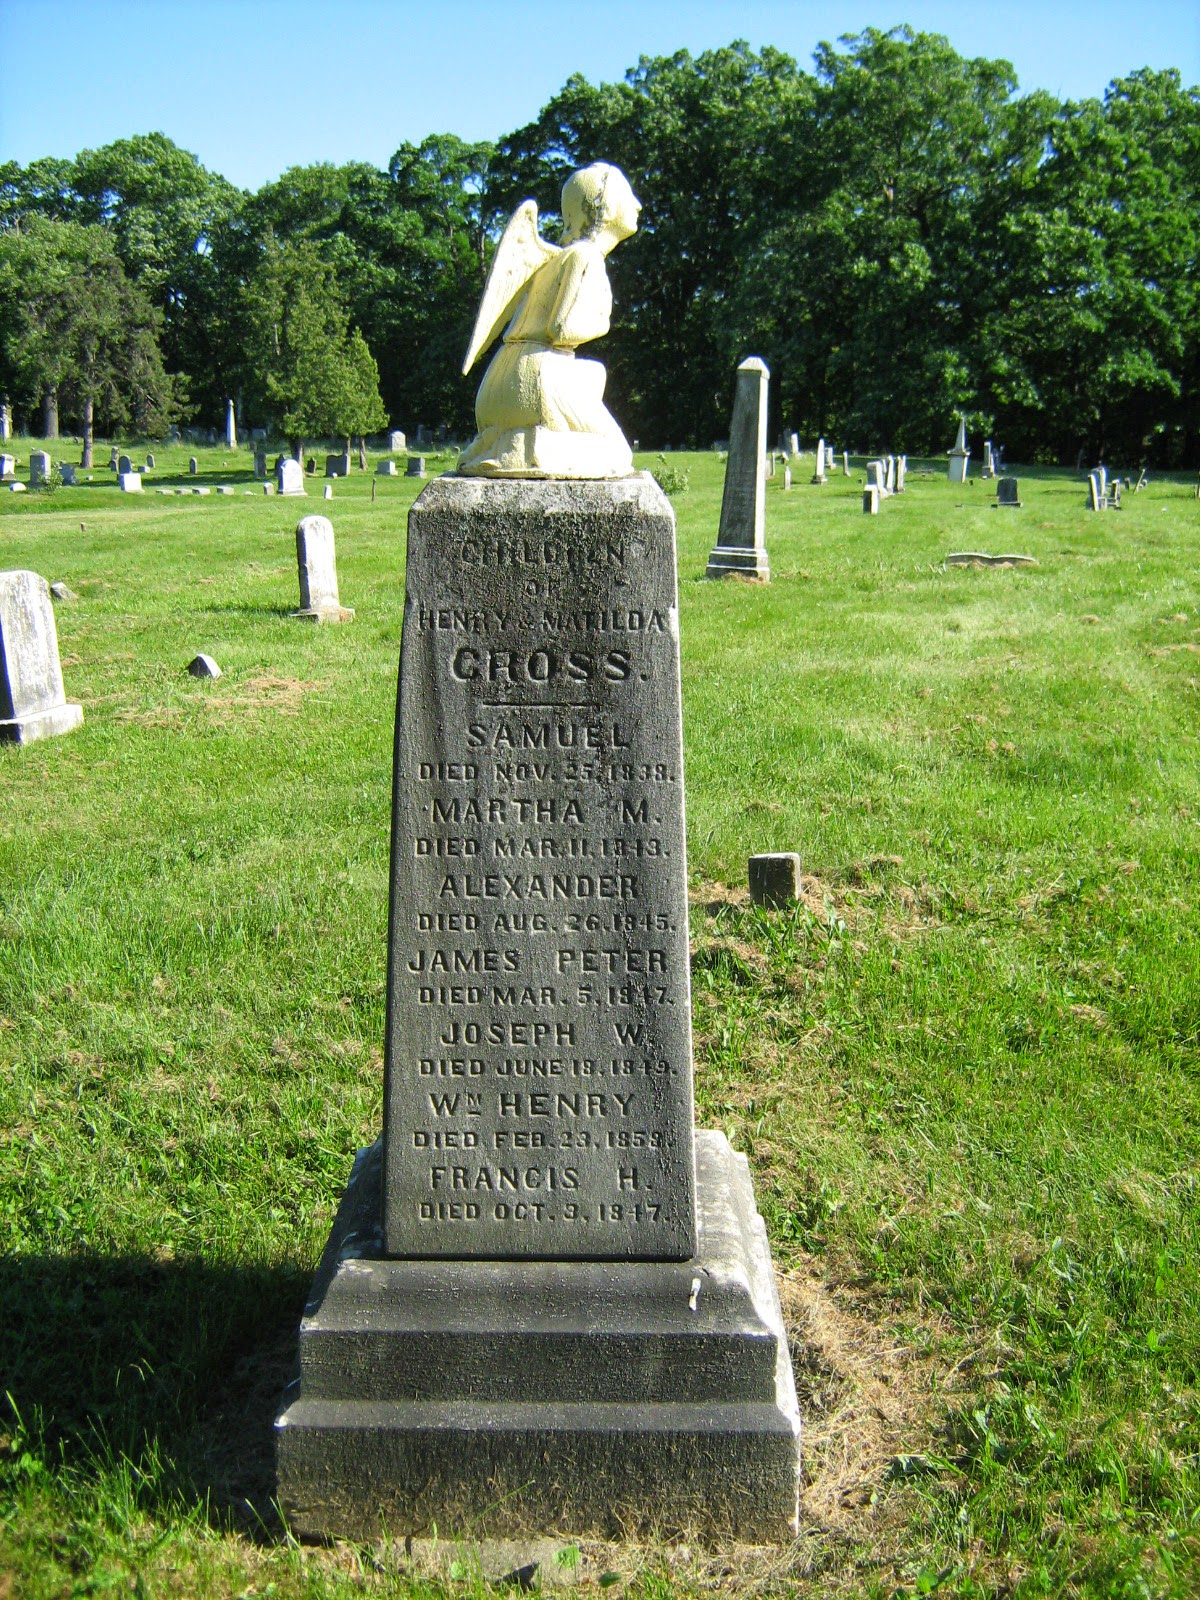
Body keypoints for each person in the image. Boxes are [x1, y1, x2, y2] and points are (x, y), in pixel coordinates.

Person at [457, 163, 641, 478]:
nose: (637, 204)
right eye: (629, 195)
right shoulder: (586, 256)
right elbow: (562, 328)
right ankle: (531, 447)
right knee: (617, 452)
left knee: (593, 373)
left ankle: (497, 442)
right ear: (606, 207)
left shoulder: (552, 259)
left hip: (496, 385)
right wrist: (603, 322)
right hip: (537, 378)